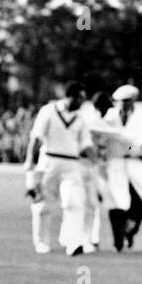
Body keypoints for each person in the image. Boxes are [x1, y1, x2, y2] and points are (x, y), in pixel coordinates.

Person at [23, 81, 95, 255]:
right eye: (80, 98)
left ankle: (72, 242)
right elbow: (37, 137)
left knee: (73, 202)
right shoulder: (48, 111)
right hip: (48, 162)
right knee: (43, 205)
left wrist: (96, 161)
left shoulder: (81, 117)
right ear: (70, 96)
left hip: (72, 164)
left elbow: (86, 144)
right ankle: (41, 242)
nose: (82, 102)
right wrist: (30, 161)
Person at [108, 84, 142, 247]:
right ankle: (118, 238)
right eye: (119, 101)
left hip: (136, 162)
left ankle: (130, 229)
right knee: (117, 202)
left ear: (133, 100)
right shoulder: (109, 116)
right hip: (116, 162)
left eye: (126, 101)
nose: (123, 104)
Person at [83, 89, 135, 250]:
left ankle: (95, 238)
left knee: (100, 203)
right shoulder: (91, 121)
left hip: (104, 166)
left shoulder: (110, 122)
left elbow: (128, 141)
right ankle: (87, 238)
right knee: (89, 203)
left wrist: (130, 148)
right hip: (87, 164)